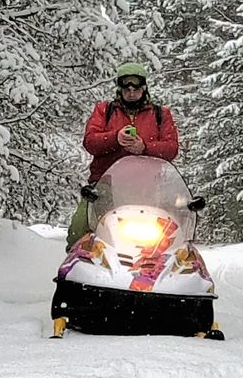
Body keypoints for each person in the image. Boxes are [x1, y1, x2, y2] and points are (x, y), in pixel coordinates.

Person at [68, 62, 181, 247]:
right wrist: (115, 138)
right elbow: (90, 141)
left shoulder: (161, 114)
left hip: (147, 191)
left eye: (135, 87)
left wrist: (144, 147)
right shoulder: (104, 111)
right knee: (78, 233)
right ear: (119, 88)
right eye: (126, 86)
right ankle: (77, 272)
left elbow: (171, 148)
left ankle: (156, 273)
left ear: (144, 88)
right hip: (105, 187)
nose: (131, 91)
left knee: (163, 242)